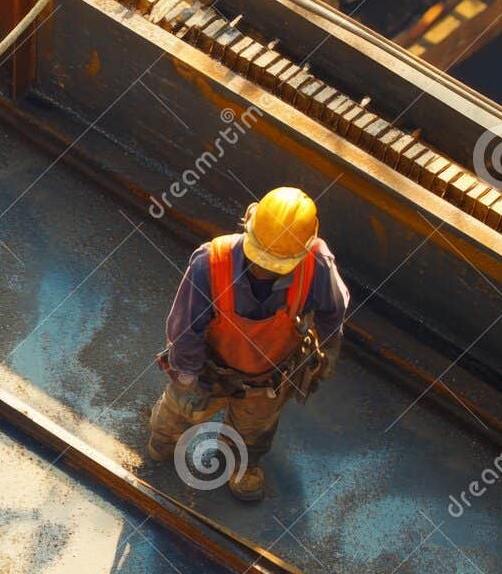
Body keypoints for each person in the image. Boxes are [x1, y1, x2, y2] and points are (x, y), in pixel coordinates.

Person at [146, 187, 350, 499]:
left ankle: (242, 463)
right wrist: (187, 376)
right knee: (178, 410)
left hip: (268, 375)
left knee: (254, 430)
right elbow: (185, 327)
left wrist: (328, 351)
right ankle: (162, 439)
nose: (264, 269)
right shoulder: (210, 263)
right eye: (261, 261)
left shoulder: (317, 265)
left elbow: (333, 311)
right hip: (208, 367)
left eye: (275, 265)